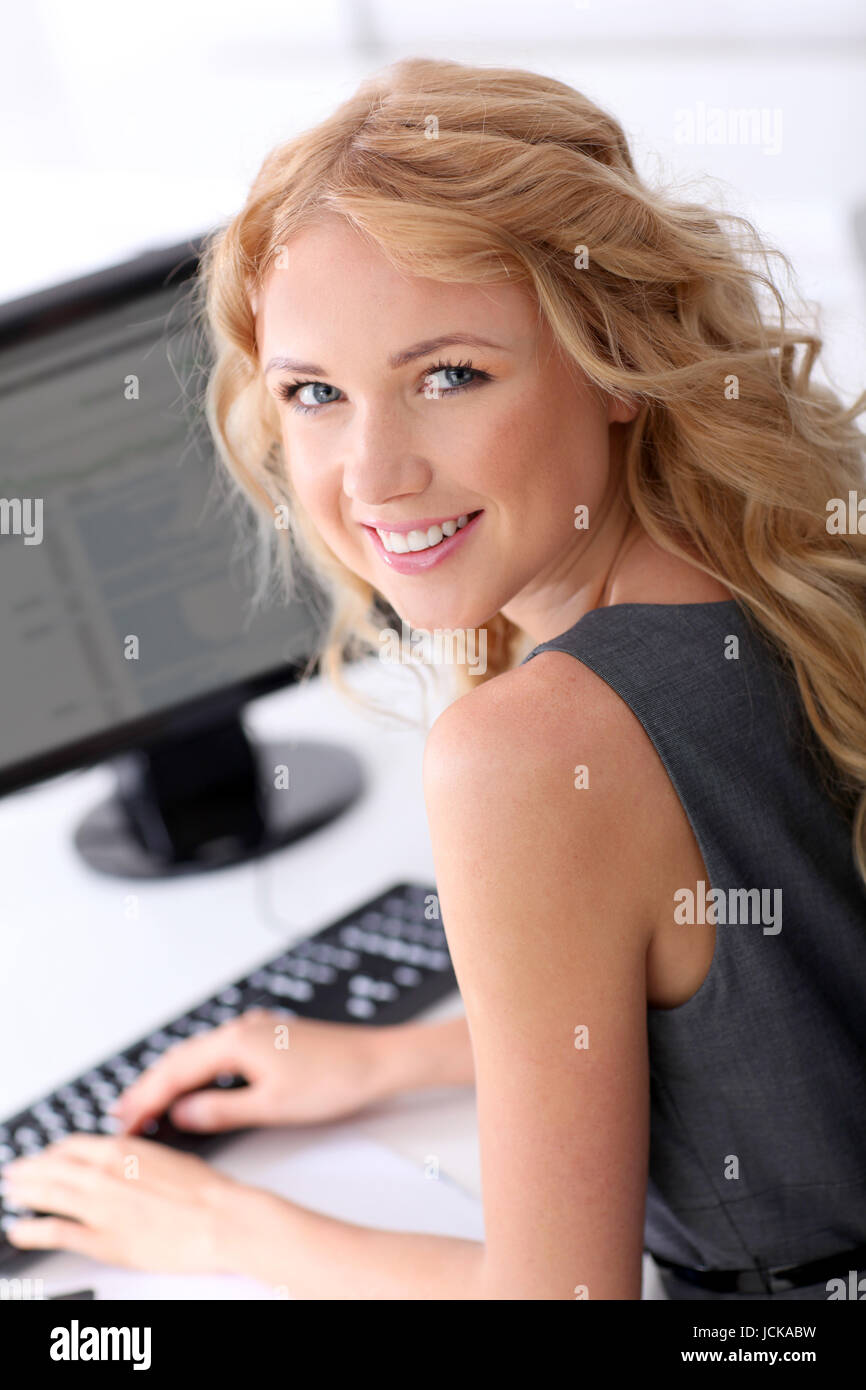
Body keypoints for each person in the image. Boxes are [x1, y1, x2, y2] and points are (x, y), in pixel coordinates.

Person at [5, 57, 866, 1301]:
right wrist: (394, 1063)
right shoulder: (765, 575)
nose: (370, 474)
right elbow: (767, 1008)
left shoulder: (529, 751)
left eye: (447, 376)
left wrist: (220, 1229)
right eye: (314, 394)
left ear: (615, 359)